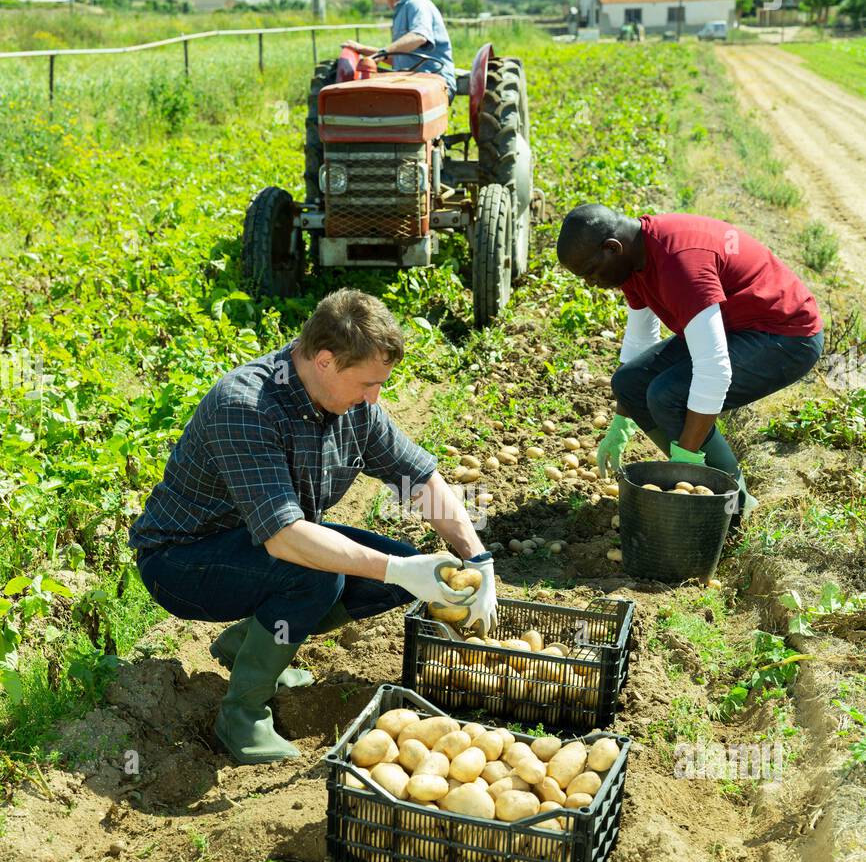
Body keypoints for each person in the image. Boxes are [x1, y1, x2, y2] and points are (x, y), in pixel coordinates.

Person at [129, 290, 497, 765]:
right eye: (367, 383)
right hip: (182, 560)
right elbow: (285, 537)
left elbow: (416, 477)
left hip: (257, 551)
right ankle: (241, 714)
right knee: (320, 574)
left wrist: (475, 556)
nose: (374, 397)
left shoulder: (353, 404)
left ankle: (251, 643)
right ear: (325, 360)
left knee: (393, 576)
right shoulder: (247, 406)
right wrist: (399, 568)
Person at [556, 205, 824, 517]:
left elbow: (714, 369)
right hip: (734, 326)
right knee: (628, 383)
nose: (592, 283)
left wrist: (686, 456)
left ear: (612, 248)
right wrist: (622, 421)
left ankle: (734, 507)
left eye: (590, 273)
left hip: (785, 336)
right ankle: (701, 479)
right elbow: (640, 341)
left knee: (668, 395)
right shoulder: (634, 260)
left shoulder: (680, 264)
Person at [341, 0, 457, 100]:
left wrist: (383, 52)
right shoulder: (403, 10)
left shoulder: (417, 4)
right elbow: (400, 59)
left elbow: (419, 36)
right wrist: (362, 49)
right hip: (409, 80)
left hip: (435, 80)